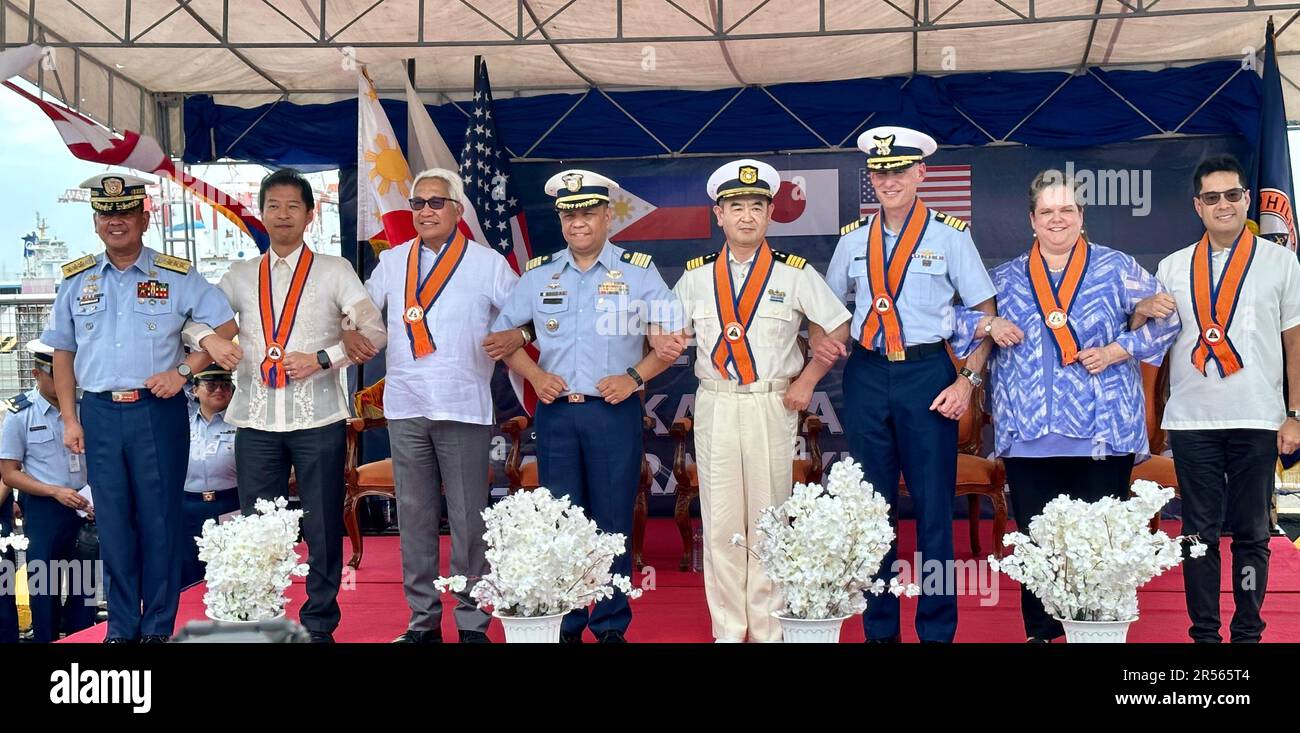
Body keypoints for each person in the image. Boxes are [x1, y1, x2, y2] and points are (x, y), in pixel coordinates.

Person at [951, 170, 1179, 642]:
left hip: (1102, 429)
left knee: (1099, 545)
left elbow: (1168, 320)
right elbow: (955, 319)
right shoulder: (1006, 278)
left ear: (1081, 217)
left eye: (1067, 211)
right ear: (1032, 220)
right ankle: (1041, 633)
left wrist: (1118, 350)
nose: (1058, 219)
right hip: (1029, 433)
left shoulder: (1118, 267)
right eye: (1047, 212)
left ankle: (1098, 632)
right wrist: (989, 328)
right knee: (1038, 545)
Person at [185, 168, 387, 643]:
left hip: (317, 417)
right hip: (254, 419)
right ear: (261, 213)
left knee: (321, 523)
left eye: (292, 206)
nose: (282, 215)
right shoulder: (239, 274)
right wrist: (212, 341)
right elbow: (193, 322)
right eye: (273, 206)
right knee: (259, 528)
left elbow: (374, 332)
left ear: (310, 215)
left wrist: (323, 359)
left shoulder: (334, 270)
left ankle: (320, 625)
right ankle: (262, 619)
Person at [42, 173, 239, 643]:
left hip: (157, 411)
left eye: (126, 212)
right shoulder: (75, 280)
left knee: (160, 522)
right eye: (108, 214)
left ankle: (156, 628)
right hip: (100, 415)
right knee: (112, 525)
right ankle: (122, 628)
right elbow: (62, 354)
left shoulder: (176, 273)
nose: (117, 222)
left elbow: (226, 326)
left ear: (144, 218)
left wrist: (185, 372)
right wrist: (70, 418)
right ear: (95, 222)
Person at [493, 169, 683, 643]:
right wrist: (536, 376)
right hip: (557, 414)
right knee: (562, 517)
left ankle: (611, 622)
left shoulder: (638, 271)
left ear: (606, 216)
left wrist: (634, 377)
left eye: (587, 212)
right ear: (561, 219)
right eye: (569, 214)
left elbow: (673, 340)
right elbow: (502, 339)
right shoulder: (540, 274)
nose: (578, 222)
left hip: (611, 411)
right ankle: (567, 620)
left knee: (613, 517)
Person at [824, 127, 997, 643]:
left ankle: (937, 632)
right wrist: (819, 350)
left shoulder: (951, 235)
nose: (889, 180)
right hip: (868, 374)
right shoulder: (853, 239)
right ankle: (880, 631)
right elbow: (830, 314)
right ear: (870, 180)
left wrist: (967, 381)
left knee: (934, 510)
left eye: (900, 170)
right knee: (872, 511)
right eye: (880, 172)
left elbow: (985, 316)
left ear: (921, 173)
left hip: (928, 373)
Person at [671, 159, 850, 643]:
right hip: (716, 402)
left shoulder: (795, 274)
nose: (746, 216)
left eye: (756, 206)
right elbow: (663, 332)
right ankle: (729, 630)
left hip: (773, 403)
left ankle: (771, 629)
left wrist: (809, 378)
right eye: (735, 207)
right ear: (718, 215)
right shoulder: (695, 277)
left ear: (771, 213)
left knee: (770, 518)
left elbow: (836, 325)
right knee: (723, 517)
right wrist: (660, 339)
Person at [358, 168, 524, 643]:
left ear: (457, 209)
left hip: (463, 404)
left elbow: (522, 317)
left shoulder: (486, 263)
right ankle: (422, 620)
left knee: (471, 516)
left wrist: (517, 334)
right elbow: (365, 320)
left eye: (436, 202)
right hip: (406, 403)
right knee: (414, 513)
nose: (426, 211)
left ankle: (472, 621)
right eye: (418, 204)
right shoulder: (392, 262)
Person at [1151, 154, 1300, 643]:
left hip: (1258, 417)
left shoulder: (1281, 262)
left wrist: (1294, 414)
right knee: (1198, 535)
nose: (1223, 205)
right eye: (1212, 197)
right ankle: (1205, 635)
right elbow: (1150, 340)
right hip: (1193, 421)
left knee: (1254, 533)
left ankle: (1248, 632)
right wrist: (1141, 314)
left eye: (1232, 194)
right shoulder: (1171, 266)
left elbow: (1295, 342)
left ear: (1246, 199)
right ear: (1197, 205)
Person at [0, 341, 97, 643]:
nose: (64, 380)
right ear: (36, 374)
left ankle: (82, 641)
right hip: (44, 510)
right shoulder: (20, 414)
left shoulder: (88, 408)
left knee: (85, 591)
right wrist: (54, 491)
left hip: (86, 506)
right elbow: (9, 473)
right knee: (45, 589)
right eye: (55, 374)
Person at [179, 366, 239, 588]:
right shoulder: (181, 425)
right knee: (189, 571)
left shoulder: (241, 425)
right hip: (189, 506)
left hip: (230, 504)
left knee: (229, 572)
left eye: (225, 385)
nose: (219, 390)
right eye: (211, 385)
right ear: (195, 390)